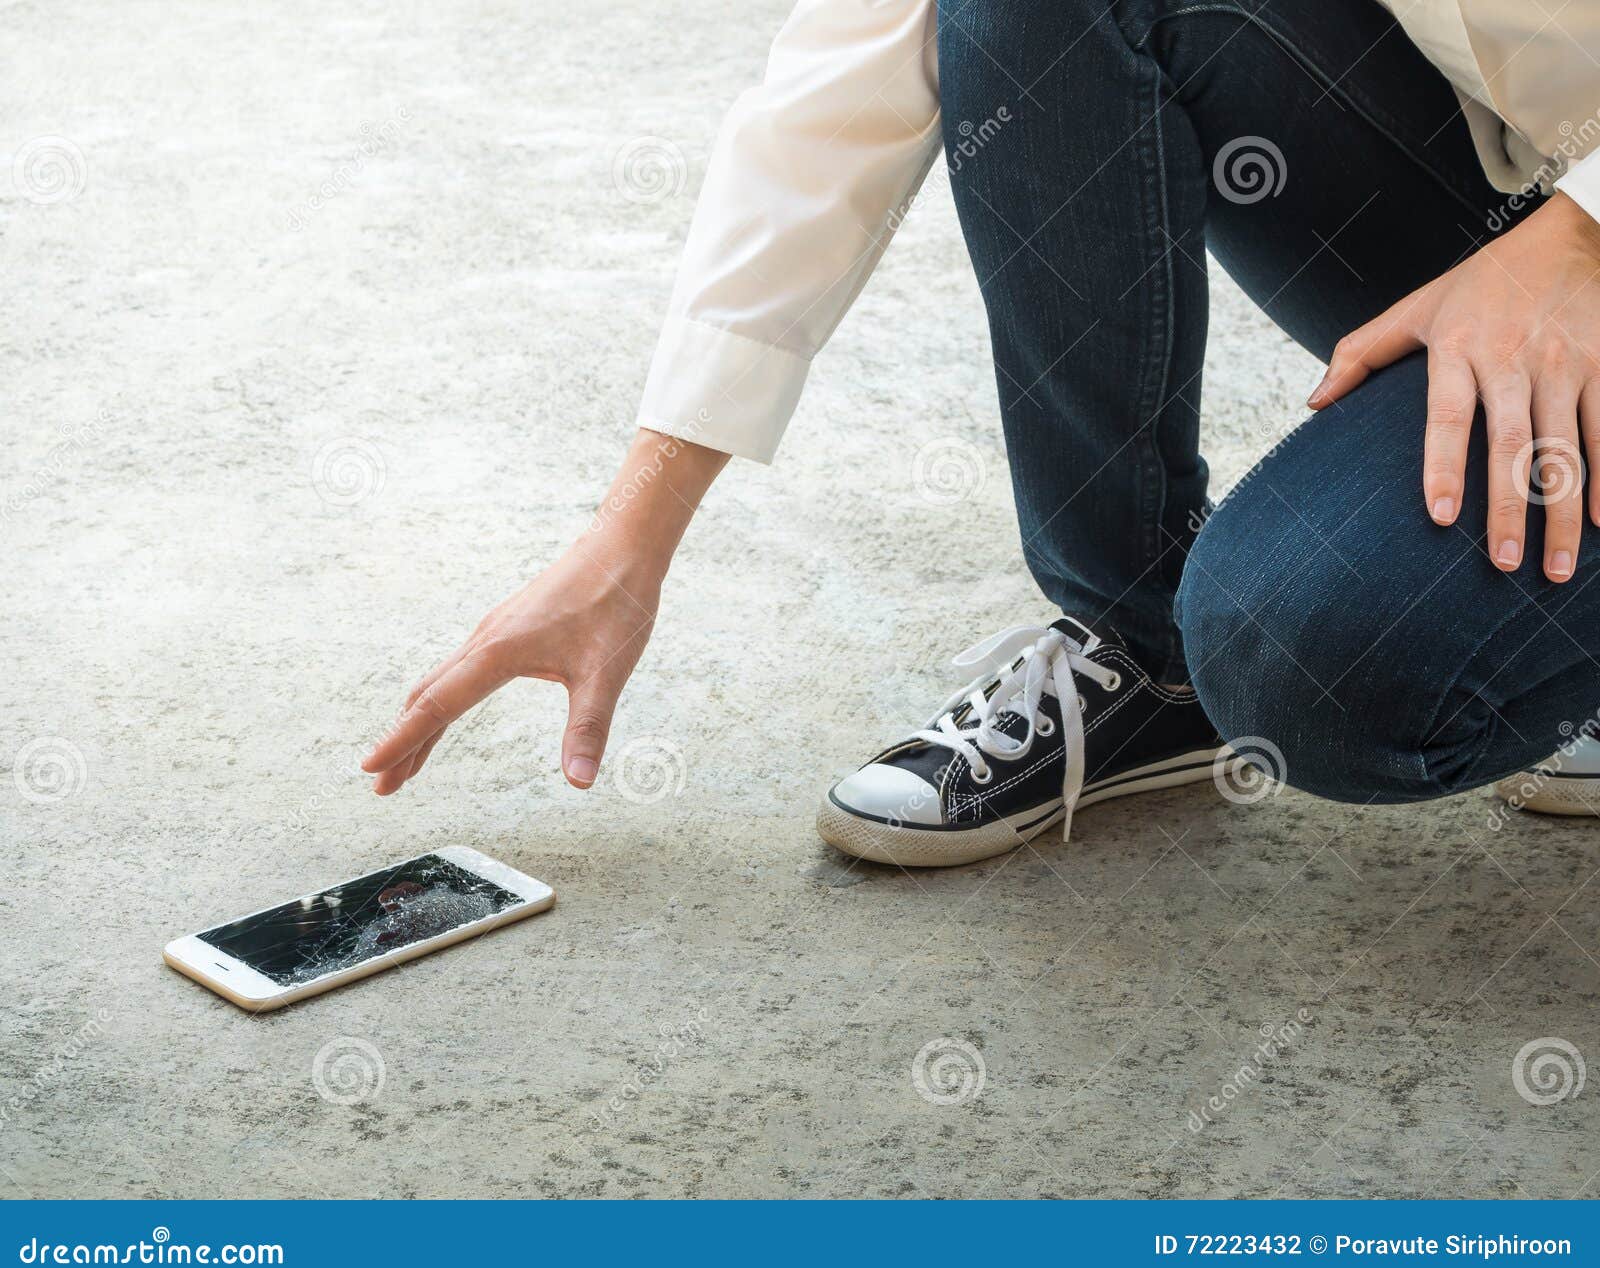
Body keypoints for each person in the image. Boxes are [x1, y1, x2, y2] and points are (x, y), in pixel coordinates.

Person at [362, 0, 1600, 865]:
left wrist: (1579, 237)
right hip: (1510, 196)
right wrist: (634, 526)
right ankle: (1145, 646)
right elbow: (838, 89)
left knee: (1320, 667)